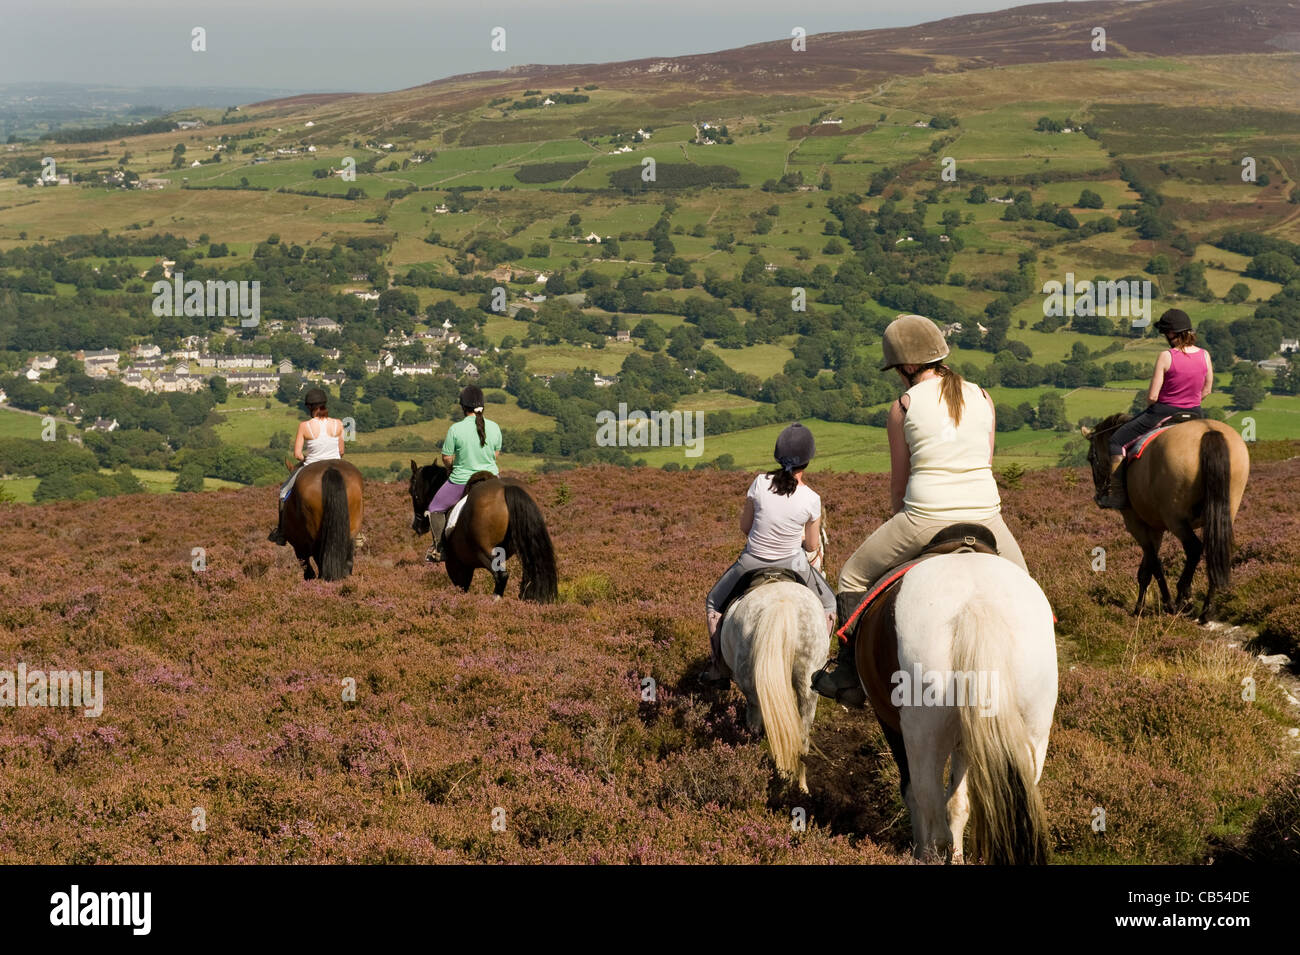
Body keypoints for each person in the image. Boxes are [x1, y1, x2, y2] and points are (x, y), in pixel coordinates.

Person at [813, 314, 1029, 704]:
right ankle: (1034, 673)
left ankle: (848, 675)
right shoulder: (983, 397)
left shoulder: (904, 405)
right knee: (1030, 594)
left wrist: (904, 521)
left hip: (924, 517)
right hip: (988, 518)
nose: (898, 375)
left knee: (852, 577)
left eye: (897, 368)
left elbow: (900, 482)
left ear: (909, 366)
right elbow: (988, 462)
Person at [700, 422, 838, 685]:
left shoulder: (759, 483)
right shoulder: (811, 498)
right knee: (830, 604)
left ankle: (718, 668)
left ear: (778, 456)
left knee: (713, 603)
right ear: (807, 461)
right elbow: (811, 546)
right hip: (794, 564)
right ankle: (822, 666)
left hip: (750, 562)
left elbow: (745, 527)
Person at [1099, 308, 1212, 509]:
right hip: (1196, 413)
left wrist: (1161, 403)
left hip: (1164, 412)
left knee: (1116, 441)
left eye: (1166, 333)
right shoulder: (1204, 355)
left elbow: (1152, 397)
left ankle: (1117, 494)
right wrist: (1190, 400)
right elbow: (1207, 390)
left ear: (1172, 333)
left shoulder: (1166, 356)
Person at [425, 384, 502, 562]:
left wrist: (453, 466)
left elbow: (446, 458)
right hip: (492, 479)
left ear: (463, 407)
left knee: (435, 509)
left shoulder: (455, 429)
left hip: (462, 480)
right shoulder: (495, 427)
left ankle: (439, 548)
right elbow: (495, 454)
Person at [268, 387, 345, 545]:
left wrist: (305, 459)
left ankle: (281, 532)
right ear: (324, 405)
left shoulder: (304, 426)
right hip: (337, 463)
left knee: (283, 492)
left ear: (310, 407)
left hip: (312, 464)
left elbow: (297, 454)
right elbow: (341, 451)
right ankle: (357, 533)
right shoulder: (338, 424)